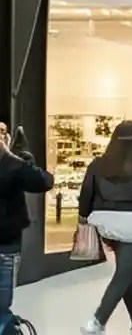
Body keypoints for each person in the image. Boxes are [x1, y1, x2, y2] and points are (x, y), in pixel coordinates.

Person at [78, 121, 132, 335]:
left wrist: (83, 218)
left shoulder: (98, 164)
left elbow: (85, 195)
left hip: (107, 224)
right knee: (124, 272)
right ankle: (97, 321)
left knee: (129, 269)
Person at [0, 126, 53, 333]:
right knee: (2, 305)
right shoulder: (12, 164)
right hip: (6, 244)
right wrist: (26, 162)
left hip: (6, 242)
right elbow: (44, 181)